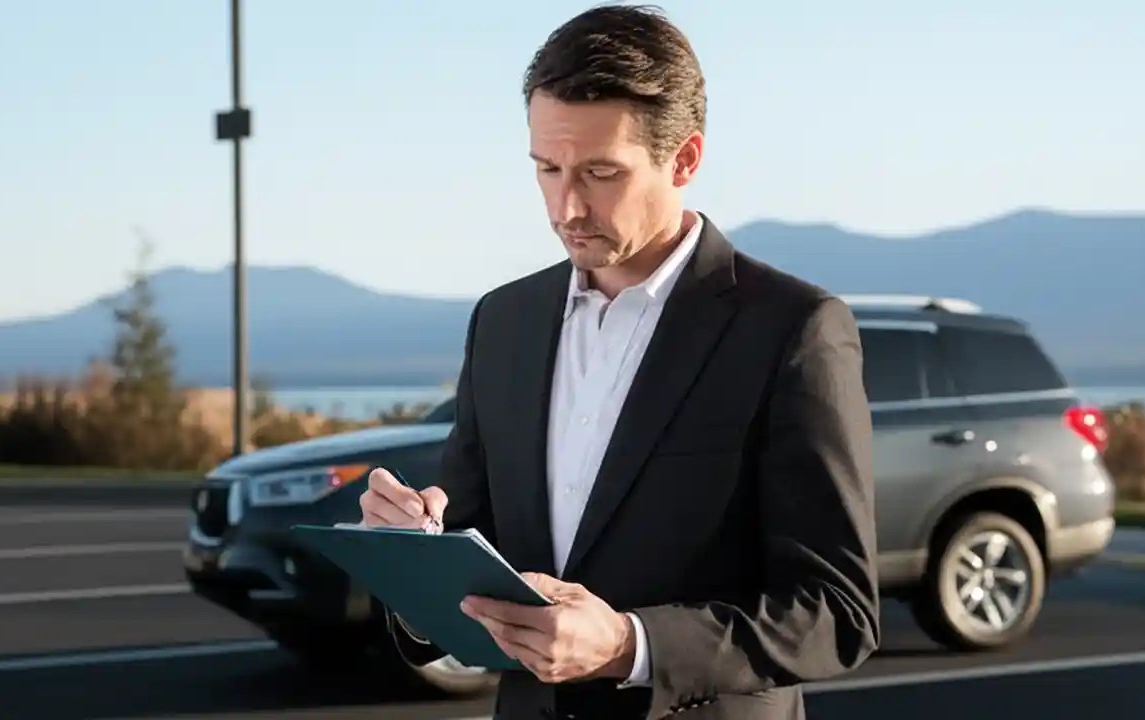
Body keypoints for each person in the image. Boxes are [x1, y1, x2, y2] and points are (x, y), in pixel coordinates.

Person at [358, 5, 879, 718]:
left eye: (601, 172)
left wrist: (628, 646)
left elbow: (836, 614)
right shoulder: (503, 322)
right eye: (547, 168)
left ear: (685, 159)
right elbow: (477, 555)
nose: (567, 205)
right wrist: (415, 562)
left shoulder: (792, 330)